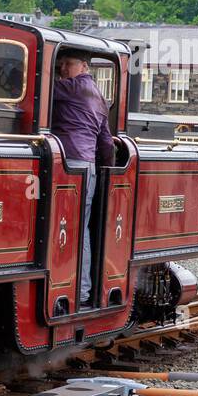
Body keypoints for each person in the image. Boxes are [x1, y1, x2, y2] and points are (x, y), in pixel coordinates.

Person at [50, 49, 115, 307]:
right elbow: (106, 143)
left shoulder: (73, 87)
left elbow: (38, 90)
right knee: (80, 229)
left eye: (68, 64)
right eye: (61, 64)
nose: (63, 69)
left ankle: (75, 289)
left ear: (84, 66)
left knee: (69, 229)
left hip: (69, 164)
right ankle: (82, 290)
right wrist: (106, 176)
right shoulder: (98, 95)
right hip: (86, 166)